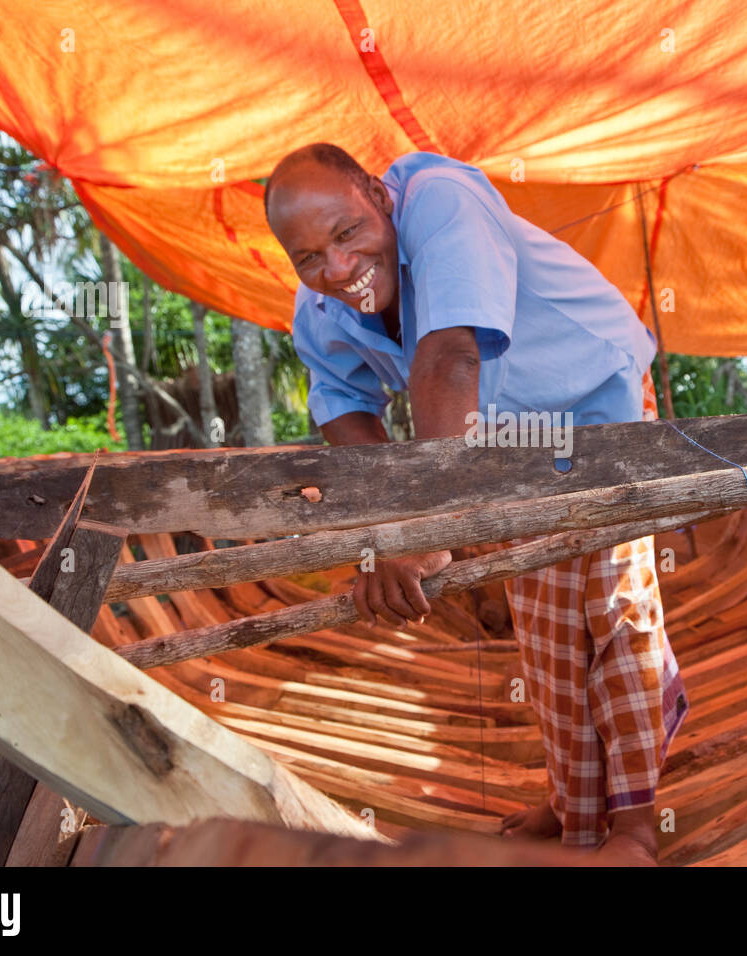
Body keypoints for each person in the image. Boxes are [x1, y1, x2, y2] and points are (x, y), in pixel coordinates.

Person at [264, 144, 688, 863]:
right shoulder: (323, 306)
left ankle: (637, 828)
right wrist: (392, 528)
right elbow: (343, 408)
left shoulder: (441, 198)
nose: (334, 270)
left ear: (378, 193)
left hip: (600, 405)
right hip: (501, 447)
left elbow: (450, 356)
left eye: (346, 234)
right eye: (307, 257)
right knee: (549, 624)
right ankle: (574, 802)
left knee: (610, 602)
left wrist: (426, 531)